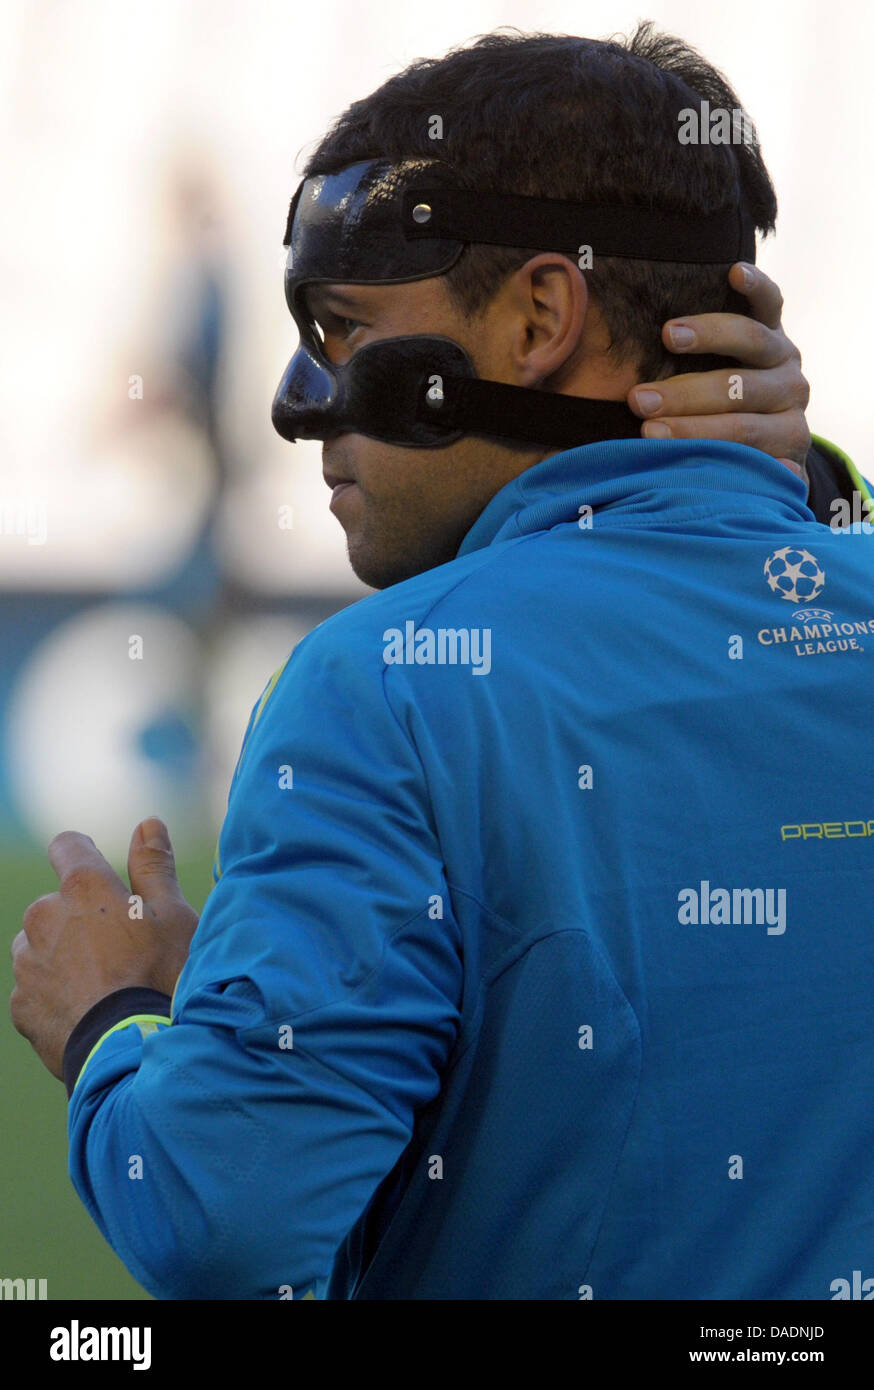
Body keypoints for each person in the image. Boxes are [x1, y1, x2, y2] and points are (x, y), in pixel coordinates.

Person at [11, 24, 874, 1300]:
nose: (301, 399)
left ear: (539, 315)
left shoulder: (381, 688)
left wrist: (119, 1023)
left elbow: (225, 1223)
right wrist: (814, 489)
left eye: (345, 327)